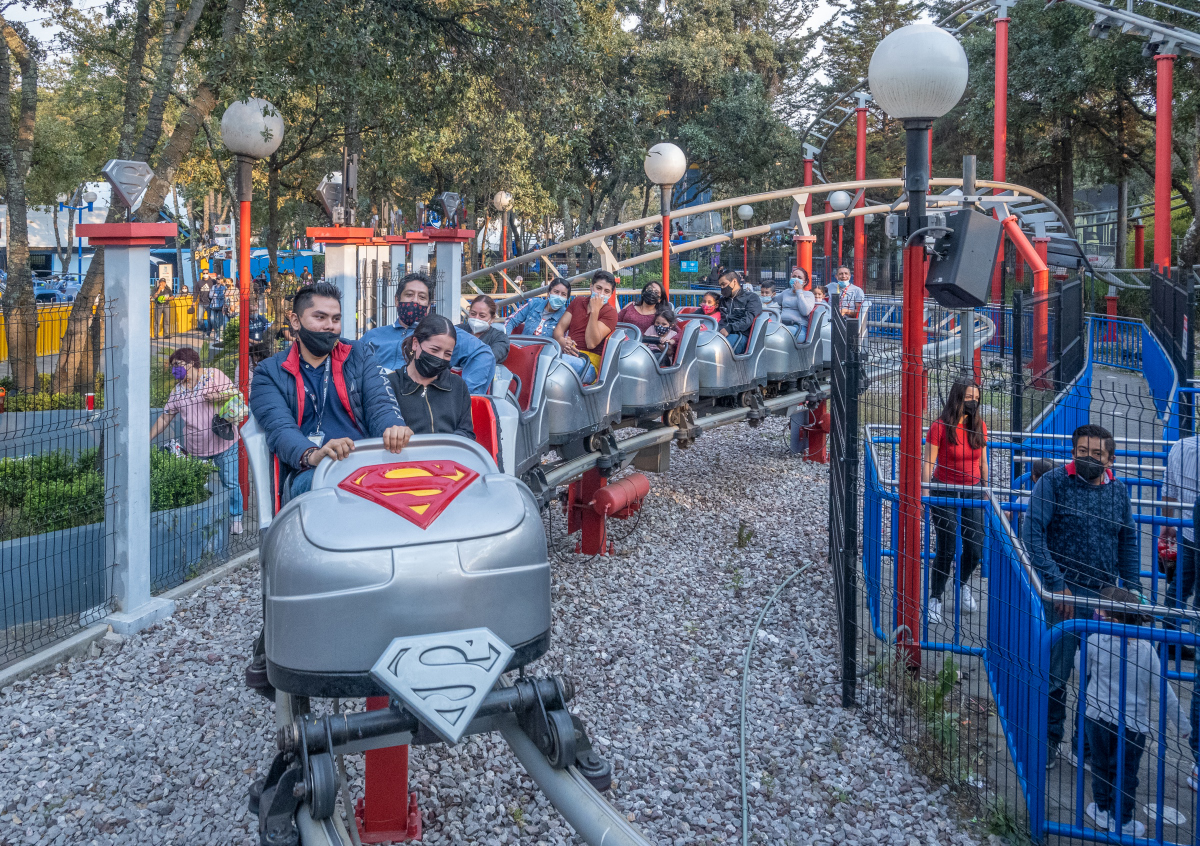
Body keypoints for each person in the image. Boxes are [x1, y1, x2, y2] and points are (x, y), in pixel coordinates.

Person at [1024, 423, 1140, 769]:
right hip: (1062, 595)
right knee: (1054, 673)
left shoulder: (1119, 493)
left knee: (1098, 677)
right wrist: (1056, 583)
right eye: (1082, 453)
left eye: (1096, 454)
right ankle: (1048, 739)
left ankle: (1085, 747)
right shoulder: (1054, 483)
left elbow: (1128, 541)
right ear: (1073, 452)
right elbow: (1032, 533)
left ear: (1110, 458)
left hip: (1104, 598)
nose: (1088, 459)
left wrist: (1132, 592)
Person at [249, 282, 413, 499]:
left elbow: (380, 404)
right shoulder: (269, 373)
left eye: (336, 319)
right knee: (327, 486)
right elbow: (280, 429)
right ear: (295, 321)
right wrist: (313, 455)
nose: (330, 326)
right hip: (312, 472)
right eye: (320, 317)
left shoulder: (359, 355)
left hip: (366, 463)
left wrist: (393, 428)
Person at [1080, 586, 1188, 837]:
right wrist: (1182, 726)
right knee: (1126, 773)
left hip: (1097, 717)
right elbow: (1164, 692)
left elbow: (1080, 667)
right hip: (1134, 725)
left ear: (1113, 620)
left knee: (1100, 765)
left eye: (1100, 611)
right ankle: (1123, 821)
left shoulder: (1095, 640)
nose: (1096, 614)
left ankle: (1103, 809)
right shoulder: (1147, 649)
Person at [149, 347, 245, 533]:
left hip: (224, 442)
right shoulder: (177, 391)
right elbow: (165, 417)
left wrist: (217, 396)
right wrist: (148, 437)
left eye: (178, 365)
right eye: (172, 366)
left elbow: (235, 393)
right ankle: (201, 521)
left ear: (191, 363)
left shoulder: (213, 375)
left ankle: (236, 518)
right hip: (196, 448)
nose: (174, 369)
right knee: (198, 485)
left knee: (230, 482)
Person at [360, 271, 496, 394]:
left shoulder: (442, 334)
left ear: (429, 305)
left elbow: (483, 353)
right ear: (397, 300)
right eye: (409, 295)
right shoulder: (373, 336)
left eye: (422, 297)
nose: (414, 300)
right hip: (376, 403)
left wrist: (465, 397)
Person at [921, 379, 988, 624]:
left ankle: (960, 583)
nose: (974, 401)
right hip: (944, 491)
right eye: (969, 397)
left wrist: (985, 488)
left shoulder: (979, 426)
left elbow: (983, 461)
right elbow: (928, 462)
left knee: (975, 546)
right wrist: (925, 496)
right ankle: (935, 597)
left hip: (972, 492)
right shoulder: (940, 427)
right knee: (947, 544)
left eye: (976, 397)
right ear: (957, 398)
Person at [386, 314, 475, 438]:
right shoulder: (389, 385)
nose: (440, 358)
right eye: (434, 350)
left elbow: (466, 432)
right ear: (415, 344)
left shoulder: (457, 385)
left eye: (447, 354)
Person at [1162, 432, 1200, 650]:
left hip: (1187, 531)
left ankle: (1169, 643)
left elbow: (1169, 489)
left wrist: (1167, 525)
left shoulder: (1181, 446)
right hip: (1191, 530)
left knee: (1180, 587)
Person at [553, 270, 618, 383]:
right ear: (591, 287)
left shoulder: (611, 313)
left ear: (611, 294)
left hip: (589, 364)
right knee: (545, 357)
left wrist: (595, 311)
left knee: (556, 361)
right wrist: (563, 342)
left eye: (606, 291)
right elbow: (560, 328)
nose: (601, 294)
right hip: (567, 354)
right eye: (598, 288)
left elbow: (591, 343)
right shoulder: (578, 301)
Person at [716, 269, 761, 354]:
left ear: (734, 281)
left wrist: (730, 328)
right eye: (720, 286)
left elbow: (749, 319)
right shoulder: (722, 300)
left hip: (740, 335)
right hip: (719, 333)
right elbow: (707, 309)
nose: (722, 288)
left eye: (724, 284)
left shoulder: (751, 298)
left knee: (721, 349)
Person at [506, 279, 571, 337]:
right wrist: (505, 341)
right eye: (556, 292)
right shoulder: (534, 304)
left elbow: (565, 339)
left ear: (567, 298)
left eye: (563, 294)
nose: (559, 296)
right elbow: (511, 320)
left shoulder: (566, 316)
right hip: (525, 348)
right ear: (549, 293)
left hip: (547, 350)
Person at [771, 270, 816, 340]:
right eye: (794, 276)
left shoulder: (809, 295)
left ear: (805, 282)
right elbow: (774, 301)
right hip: (781, 324)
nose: (796, 279)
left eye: (799, 277)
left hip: (799, 327)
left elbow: (805, 311)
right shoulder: (786, 292)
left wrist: (799, 291)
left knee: (781, 332)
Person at [466, 294, 510, 365]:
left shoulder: (500, 338)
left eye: (482, 316)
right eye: (473, 314)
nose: (476, 318)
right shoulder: (458, 330)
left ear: (492, 318)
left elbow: (490, 357)